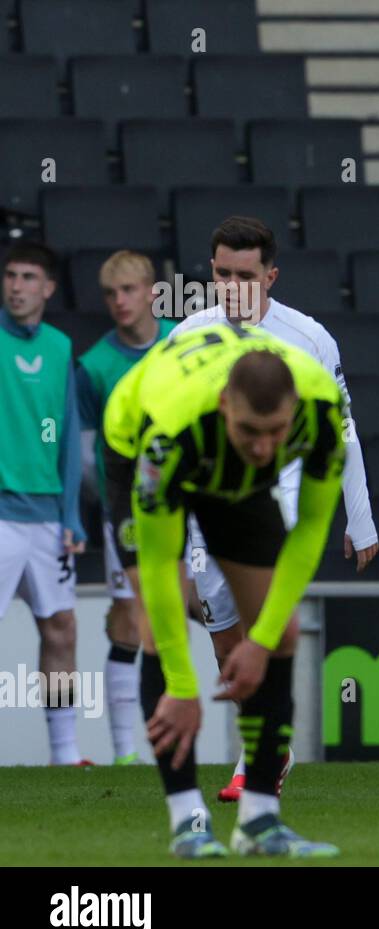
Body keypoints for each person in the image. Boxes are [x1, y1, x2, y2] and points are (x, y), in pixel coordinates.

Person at [103, 322, 345, 857]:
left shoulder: (323, 412)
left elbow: (309, 532)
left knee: (280, 632)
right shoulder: (169, 436)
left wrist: (258, 642)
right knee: (152, 628)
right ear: (224, 405)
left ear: (294, 414)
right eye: (251, 431)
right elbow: (164, 566)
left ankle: (259, 820)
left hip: (226, 465)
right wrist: (183, 687)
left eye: (276, 432)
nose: (264, 447)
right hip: (137, 442)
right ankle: (188, 819)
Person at [167, 216, 379, 802]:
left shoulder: (308, 338)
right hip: (208, 500)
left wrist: (357, 516)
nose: (232, 286)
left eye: (246, 275)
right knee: (224, 639)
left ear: (271, 276)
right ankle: (270, 747)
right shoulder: (187, 336)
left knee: (265, 617)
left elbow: (344, 432)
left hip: (281, 497)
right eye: (221, 274)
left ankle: (257, 762)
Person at [75, 250, 179, 766]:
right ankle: (126, 753)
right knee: (129, 618)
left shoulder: (185, 340)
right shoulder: (94, 366)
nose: (120, 302)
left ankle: (254, 747)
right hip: (130, 510)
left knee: (214, 613)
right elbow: (88, 448)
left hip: (194, 504)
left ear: (152, 292)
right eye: (111, 294)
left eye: (129, 291)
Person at [0, 242, 88, 765]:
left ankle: (65, 753)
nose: (16, 286)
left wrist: (72, 515)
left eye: (28, 277)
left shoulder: (59, 347)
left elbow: (71, 434)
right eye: (10, 275)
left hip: (49, 518)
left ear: (48, 288)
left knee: (61, 628)